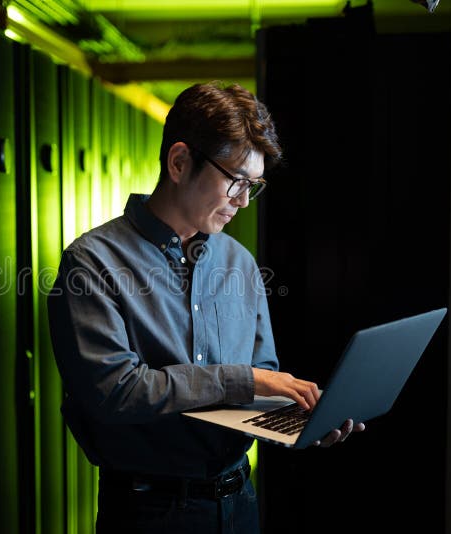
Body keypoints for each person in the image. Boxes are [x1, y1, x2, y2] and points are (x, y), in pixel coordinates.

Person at [47, 81, 364, 534]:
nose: (241, 201)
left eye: (252, 186)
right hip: (148, 513)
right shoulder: (93, 262)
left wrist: (301, 421)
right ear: (179, 162)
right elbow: (113, 393)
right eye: (235, 181)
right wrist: (243, 379)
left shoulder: (239, 261)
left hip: (240, 504)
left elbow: (262, 372)